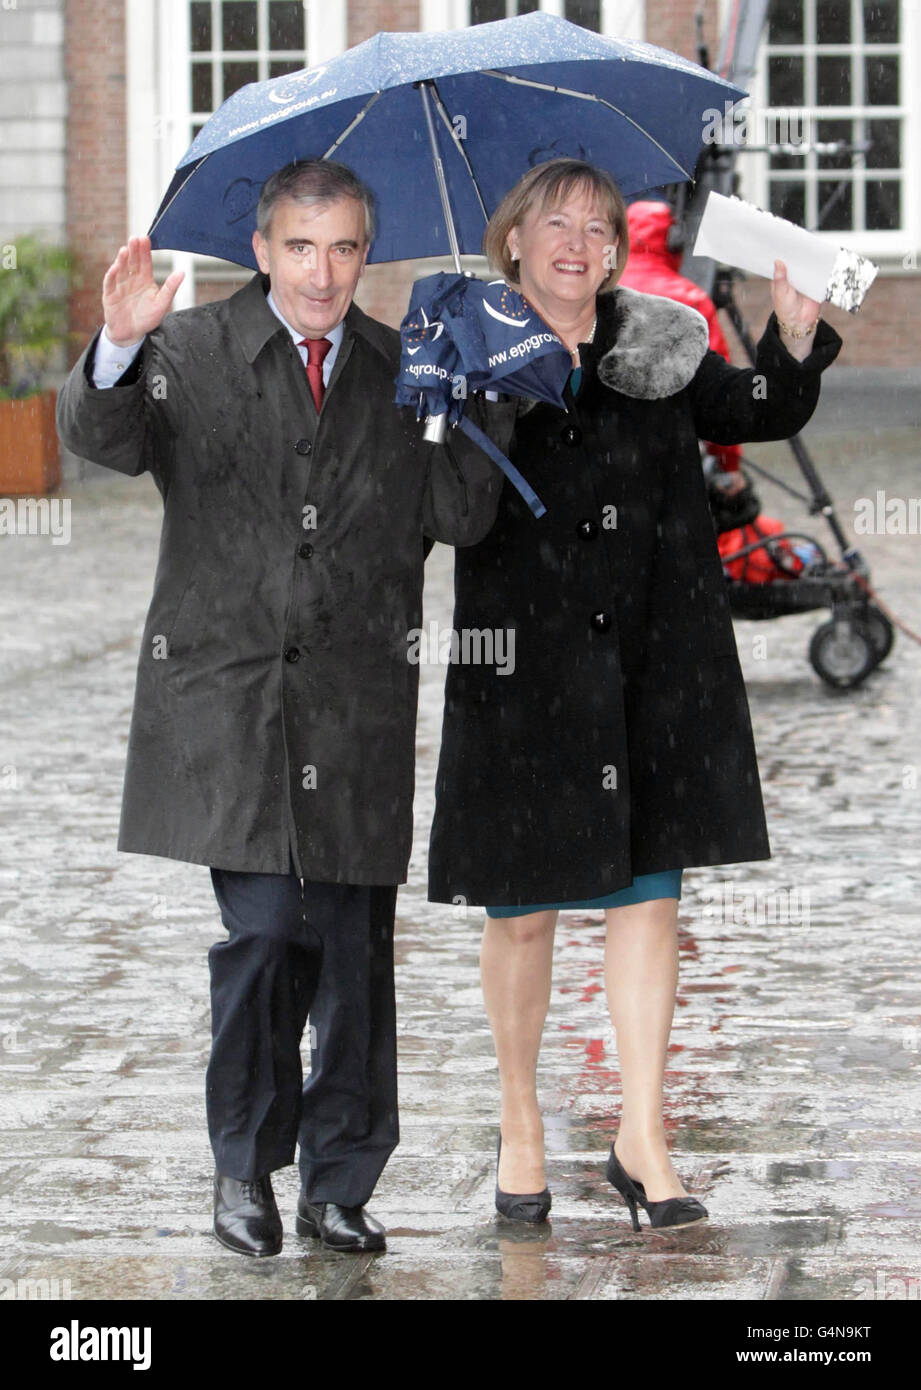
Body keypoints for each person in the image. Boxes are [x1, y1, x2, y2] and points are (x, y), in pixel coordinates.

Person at [56, 159, 509, 1258]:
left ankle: (340, 1178)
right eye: (301, 247)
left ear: (369, 254)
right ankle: (245, 1167)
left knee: (352, 952)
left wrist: (467, 396)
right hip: (232, 703)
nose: (322, 272)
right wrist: (117, 349)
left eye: (346, 248)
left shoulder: (404, 368)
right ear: (262, 249)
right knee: (263, 937)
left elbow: (462, 516)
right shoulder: (193, 352)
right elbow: (97, 441)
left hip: (355, 703)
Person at [427, 159, 842, 1229]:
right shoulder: (466, 347)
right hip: (522, 670)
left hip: (653, 663)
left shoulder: (658, 337)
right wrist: (477, 398)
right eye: (552, 221)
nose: (577, 241)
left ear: (617, 245)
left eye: (598, 225)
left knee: (647, 896)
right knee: (521, 914)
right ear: (510, 239)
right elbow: (441, 513)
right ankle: (521, 1123)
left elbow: (755, 410)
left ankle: (642, 1132)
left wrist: (793, 335)